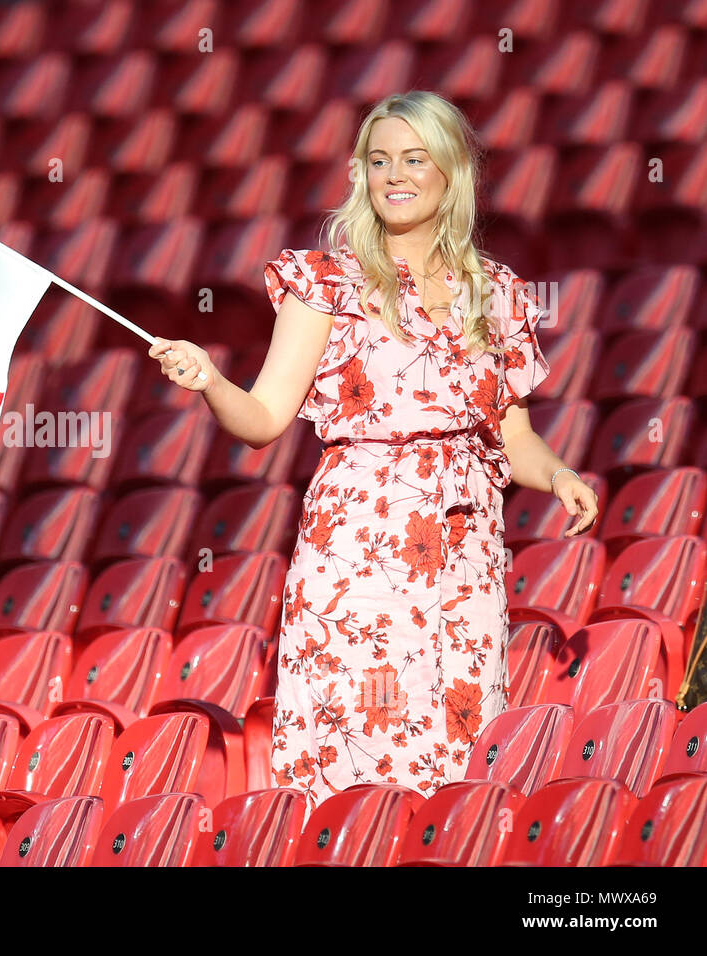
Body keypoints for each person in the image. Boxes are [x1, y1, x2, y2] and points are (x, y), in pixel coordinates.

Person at [147, 90, 599, 810]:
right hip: (361, 549)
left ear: (451, 172)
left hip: (465, 553)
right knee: (360, 744)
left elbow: (512, 436)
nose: (395, 173)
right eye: (379, 159)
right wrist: (211, 381)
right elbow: (264, 417)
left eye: (415, 158)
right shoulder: (325, 284)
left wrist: (560, 475)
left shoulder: (497, 294)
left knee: (456, 752)